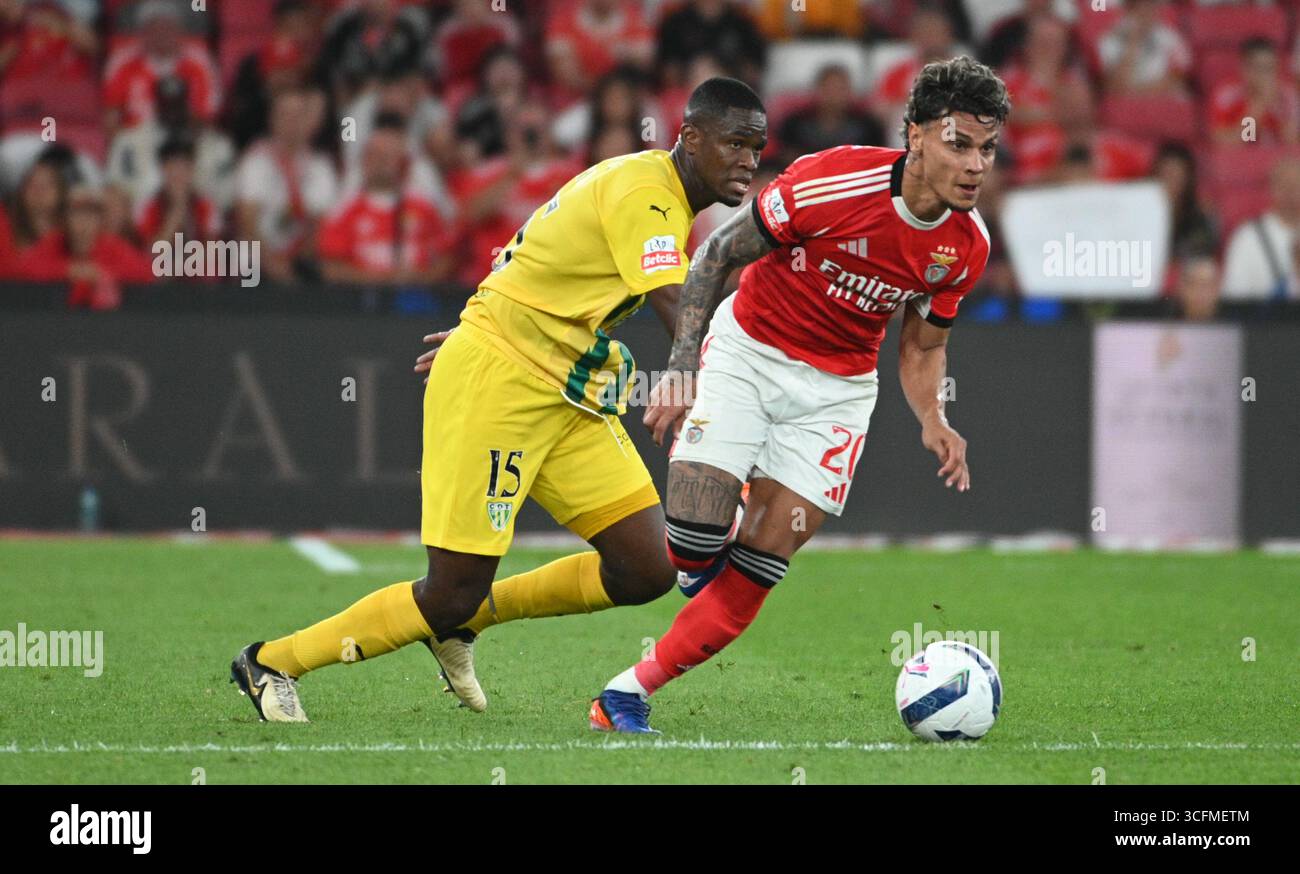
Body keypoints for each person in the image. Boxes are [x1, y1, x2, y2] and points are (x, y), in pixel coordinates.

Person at [228, 78, 769, 722]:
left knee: (647, 568)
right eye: (734, 143)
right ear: (690, 138)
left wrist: (485, 318)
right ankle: (271, 661)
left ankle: (462, 627)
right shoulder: (647, 196)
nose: (748, 160)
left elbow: (541, 250)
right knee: (450, 590)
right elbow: (678, 306)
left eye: (757, 147)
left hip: (567, 386)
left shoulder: (652, 189)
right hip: (502, 384)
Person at [589, 57, 1009, 733]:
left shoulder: (966, 246)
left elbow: (924, 346)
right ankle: (727, 509)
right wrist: (680, 364)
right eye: (959, 143)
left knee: (758, 566)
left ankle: (625, 694)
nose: (975, 165)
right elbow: (717, 254)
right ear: (916, 136)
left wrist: (933, 416)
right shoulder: (834, 180)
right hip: (750, 351)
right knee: (692, 546)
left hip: (837, 394)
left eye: (987, 148)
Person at [1221, 157, 1300, 301]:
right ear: (1272, 189)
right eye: (1285, 186)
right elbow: (1234, 297)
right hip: (1262, 321)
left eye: (1297, 186)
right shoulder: (1247, 237)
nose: (1292, 192)